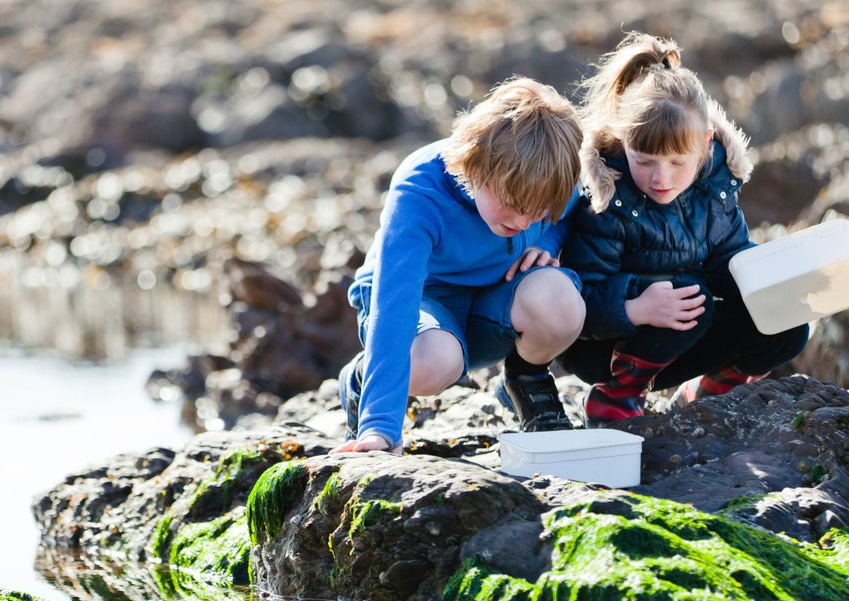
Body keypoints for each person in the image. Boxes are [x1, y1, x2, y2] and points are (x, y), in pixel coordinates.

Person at [557, 33, 810, 428]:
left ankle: (709, 392)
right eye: (645, 161)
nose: (661, 178)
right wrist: (635, 308)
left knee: (788, 324)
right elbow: (577, 300)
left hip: (684, 328)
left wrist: (777, 282)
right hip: (606, 346)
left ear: (706, 145)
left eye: (678, 162)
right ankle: (616, 396)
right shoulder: (606, 200)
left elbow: (730, 260)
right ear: (624, 143)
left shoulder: (714, 187)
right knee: (695, 299)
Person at [330, 76, 585, 455]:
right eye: (512, 207)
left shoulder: (545, 180)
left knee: (561, 303)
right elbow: (394, 304)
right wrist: (379, 426)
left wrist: (547, 241)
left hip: (496, 297)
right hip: (422, 301)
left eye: (537, 214)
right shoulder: (420, 192)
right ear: (477, 167)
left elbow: (571, 208)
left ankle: (526, 382)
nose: (522, 223)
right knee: (432, 364)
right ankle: (362, 379)